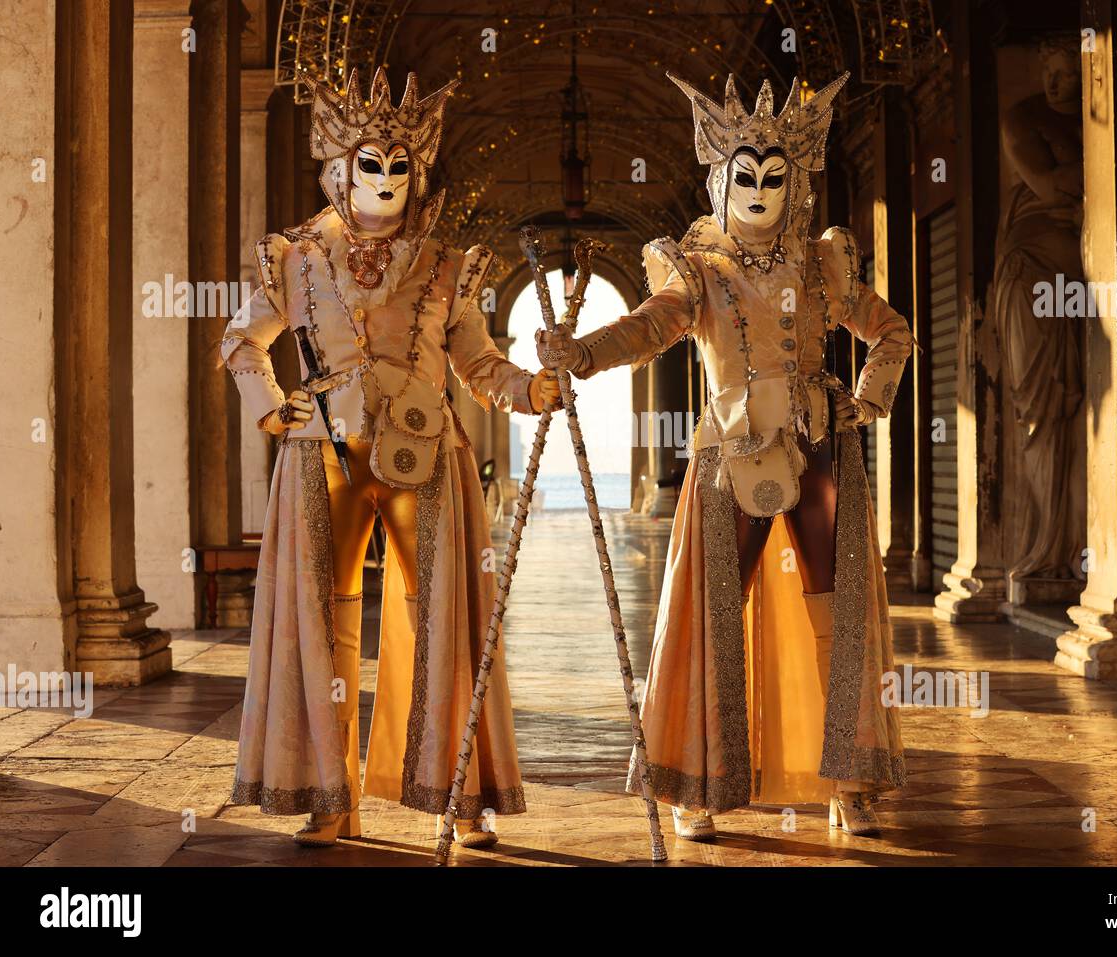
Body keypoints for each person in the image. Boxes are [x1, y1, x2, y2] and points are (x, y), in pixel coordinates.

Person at [537, 72, 912, 840]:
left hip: (818, 448)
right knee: (712, 616)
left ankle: (851, 781)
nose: (761, 191)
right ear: (720, 178)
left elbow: (892, 331)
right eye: (746, 176)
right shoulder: (698, 267)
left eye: (777, 177)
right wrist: (580, 353)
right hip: (726, 455)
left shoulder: (820, 263)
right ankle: (700, 782)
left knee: (838, 615)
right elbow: (646, 327)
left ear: (796, 181)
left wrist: (867, 400)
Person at [223, 68, 560, 848]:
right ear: (338, 166)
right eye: (369, 163)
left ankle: (459, 794)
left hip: (427, 454)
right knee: (321, 622)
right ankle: (327, 793)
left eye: (398, 165)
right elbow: (241, 342)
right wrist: (275, 406)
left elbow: (479, 364)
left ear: (419, 171)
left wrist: (530, 390)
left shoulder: (446, 263)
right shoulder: (297, 257)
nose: (384, 180)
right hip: (322, 455)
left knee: (446, 616)